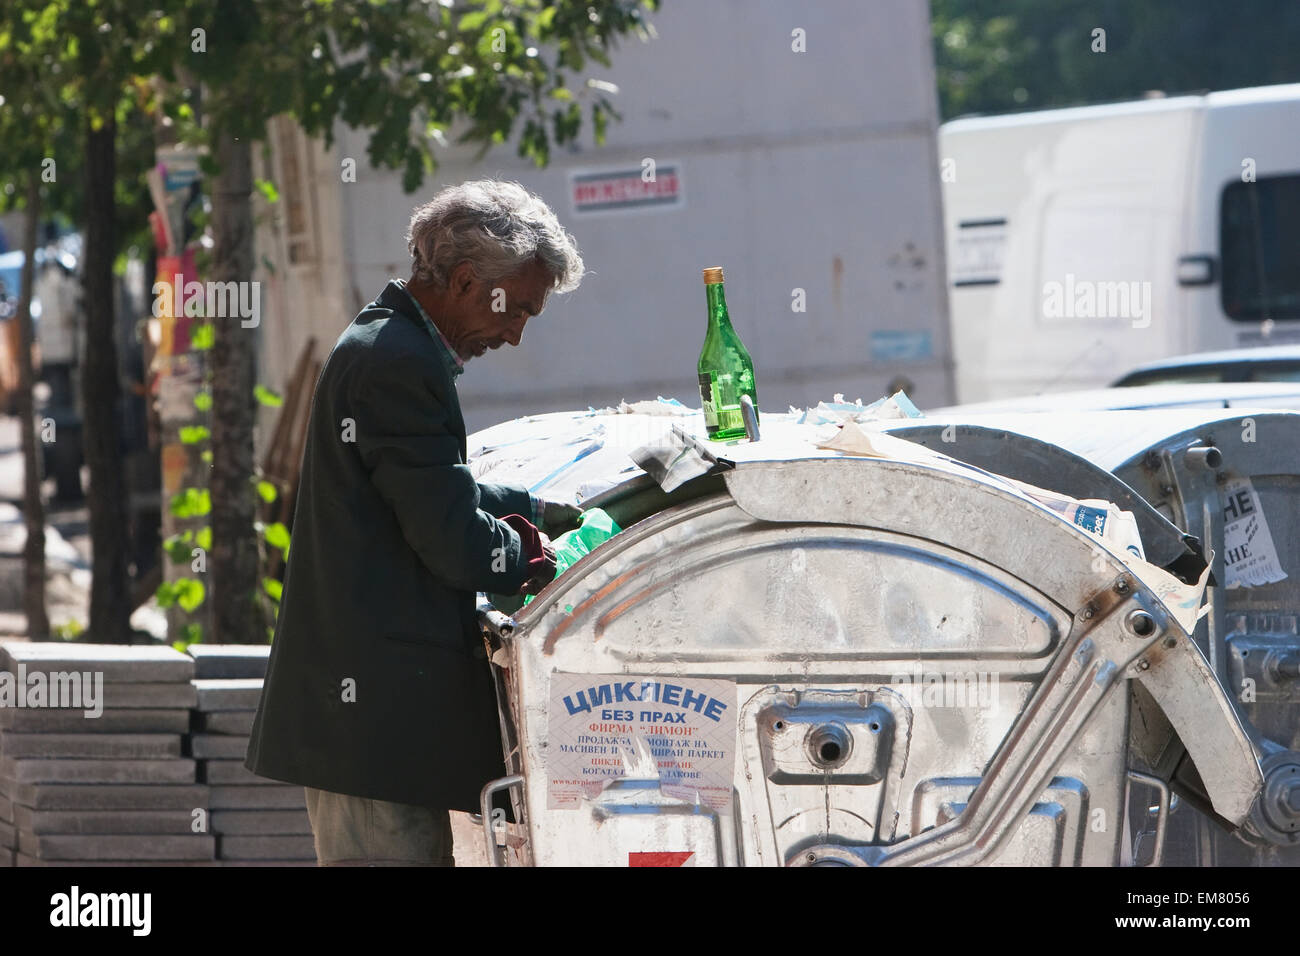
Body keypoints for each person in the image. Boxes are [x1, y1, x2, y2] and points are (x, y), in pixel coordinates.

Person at [245, 180, 585, 866]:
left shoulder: (392, 344)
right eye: (515, 309)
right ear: (465, 280)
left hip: (375, 724)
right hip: (373, 727)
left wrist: (532, 504)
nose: (516, 333)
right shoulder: (397, 363)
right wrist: (534, 555)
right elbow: (454, 542)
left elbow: (425, 487)